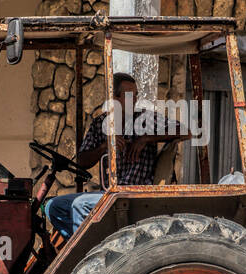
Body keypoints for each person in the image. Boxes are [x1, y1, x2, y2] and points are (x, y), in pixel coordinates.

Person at [44, 73, 186, 238]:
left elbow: (187, 131)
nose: (134, 100)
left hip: (134, 195)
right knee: (53, 206)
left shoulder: (146, 119)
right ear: (114, 98)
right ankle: (95, 243)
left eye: (136, 95)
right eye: (129, 96)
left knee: (80, 205)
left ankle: (86, 257)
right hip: (109, 193)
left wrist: (146, 139)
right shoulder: (100, 124)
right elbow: (82, 161)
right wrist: (104, 147)